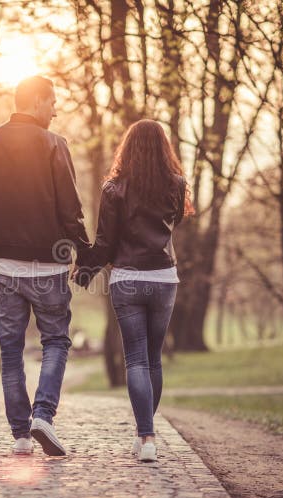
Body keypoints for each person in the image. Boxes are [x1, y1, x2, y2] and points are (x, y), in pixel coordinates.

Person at [0, 76, 90, 456]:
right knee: (55, 341)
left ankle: (21, 435)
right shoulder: (54, 145)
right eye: (52, 101)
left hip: (4, 267)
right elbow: (70, 211)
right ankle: (43, 416)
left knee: (10, 352)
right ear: (36, 101)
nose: (55, 110)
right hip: (49, 267)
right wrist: (85, 253)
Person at [73, 119, 193, 462]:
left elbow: (106, 243)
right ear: (163, 147)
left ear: (127, 148)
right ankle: (147, 436)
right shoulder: (177, 185)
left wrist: (85, 269)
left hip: (127, 278)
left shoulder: (114, 189)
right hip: (164, 278)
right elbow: (174, 225)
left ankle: (146, 435)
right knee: (153, 360)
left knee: (136, 360)